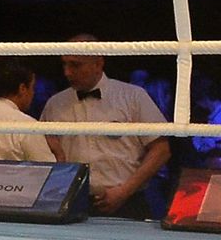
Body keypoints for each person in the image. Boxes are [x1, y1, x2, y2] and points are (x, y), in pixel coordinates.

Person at [39, 36, 170, 218]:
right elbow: (44, 150)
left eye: (75, 65)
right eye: (64, 64)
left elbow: (161, 150)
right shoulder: (55, 103)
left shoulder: (133, 97)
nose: (67, 72)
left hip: (128, 202)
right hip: (72, 202)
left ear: (98, 64)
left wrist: (125, 191)